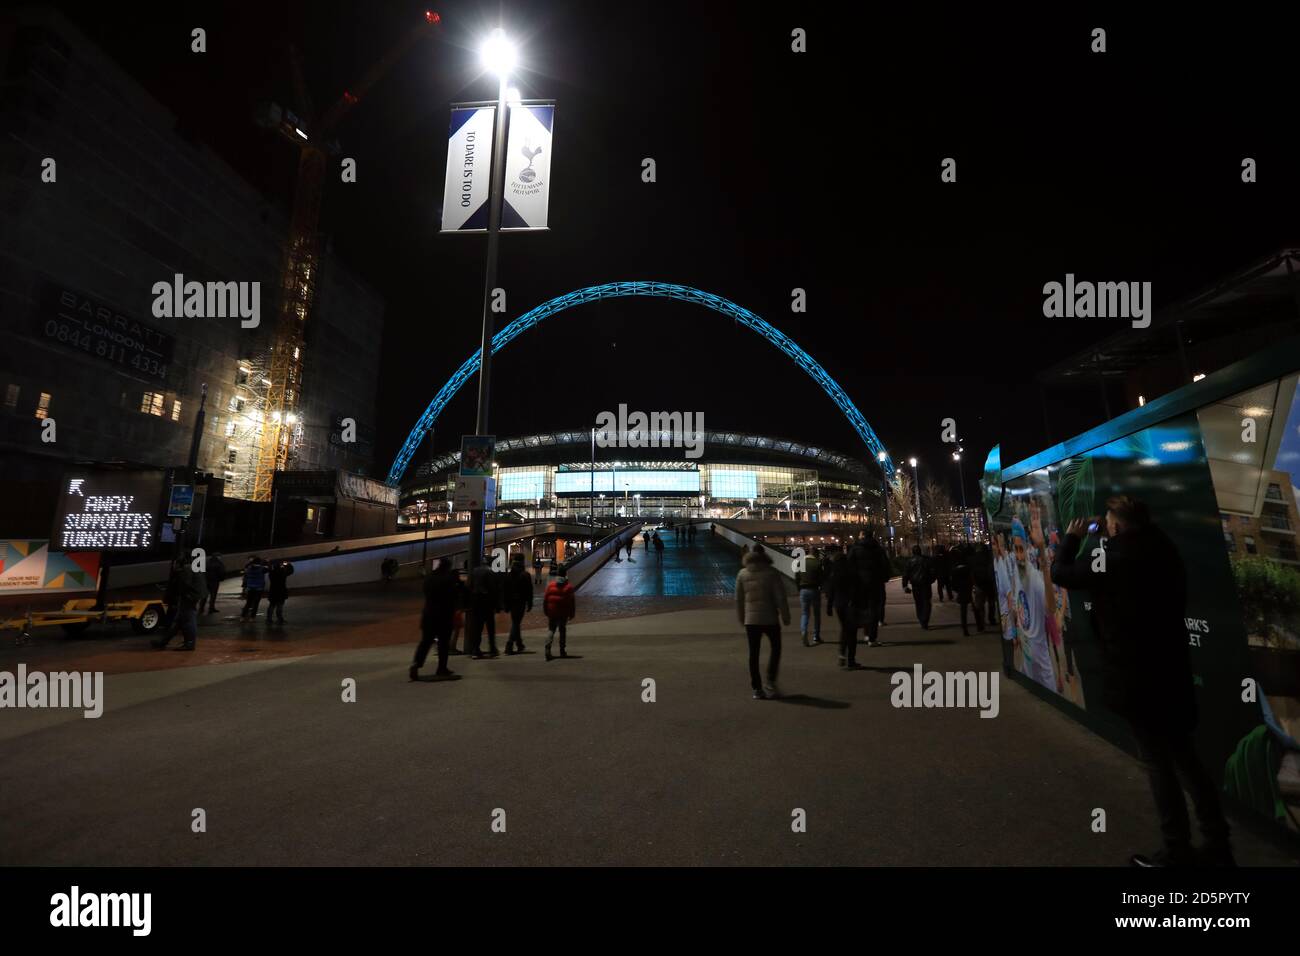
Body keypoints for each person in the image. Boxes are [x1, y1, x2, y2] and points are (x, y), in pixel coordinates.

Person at [1051, 495, 1233, 868]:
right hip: (1172, 671)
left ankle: (1176, 848)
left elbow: (1063, 573)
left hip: (1137, 676)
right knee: (1187, 758)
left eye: (1107, 521)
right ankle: (1218, 844)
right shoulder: (1162, 548)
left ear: (1115, 525)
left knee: (1158, 764)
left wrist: (1072, 538)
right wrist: (1109, 539)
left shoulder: (1114, 557)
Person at [735, 544, 790, 699]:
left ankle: (757, 688)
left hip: (751, 620)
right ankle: (770, 681)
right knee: (776, 648)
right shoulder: (772, 573)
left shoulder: (742, 573)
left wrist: (742, 618)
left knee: (754, 654)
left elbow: (739, 599)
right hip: (770, 619)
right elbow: (780, 597)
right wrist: (786, 616)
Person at [410, 557, 460, 681]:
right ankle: (442, 668)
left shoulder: (429, 578)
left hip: (428, 614)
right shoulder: (448, 579)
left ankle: (416, 663)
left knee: (425, 642)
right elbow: (452, 597)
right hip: (443, 616)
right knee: (443, 643)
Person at [153, 556, 203, 651]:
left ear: (179, 563)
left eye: (175, 563)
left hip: (187, 600)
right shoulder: (191, 569)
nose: (173, 566)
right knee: (178, 622)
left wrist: (175, 598)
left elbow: (183, 586)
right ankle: (164, 642)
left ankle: (190, 644)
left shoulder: (185, 571)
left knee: (188, 622)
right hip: (189, 599)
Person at [466, 560, 502, 659]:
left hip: (476, 602)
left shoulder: (474, 571)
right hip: (487, 603)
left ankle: (475, 649)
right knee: (490, 627)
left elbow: (469, 586)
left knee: (477, 627)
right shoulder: (490, 572)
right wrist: (497, 605)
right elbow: (493, 589)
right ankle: (492, 649)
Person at [543, 565, 576, 661]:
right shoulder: (568, 587)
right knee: (562, 631)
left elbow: (545, 599)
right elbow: (571, 602)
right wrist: (572, 613)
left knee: (551, 630)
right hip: (563, 613)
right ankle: (562, 650)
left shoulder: (550, 585)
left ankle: (547, 647)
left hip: (552, 611)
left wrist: (546, 610)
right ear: (565, 574)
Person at [503, 553, 533, 655]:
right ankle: (509, 644)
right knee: (516, 623)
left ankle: (519, 644)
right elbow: (529, 591)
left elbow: (505, 590)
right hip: (520, 602)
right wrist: (530, 603)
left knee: (516, 622)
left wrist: (505, 604)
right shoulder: (525, 575)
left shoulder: (509, 574)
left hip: (511, 602)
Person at [795, 547, 824, 646]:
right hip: (814, 589)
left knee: (805, 613)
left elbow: (797, 577)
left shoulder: (801, 562)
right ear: (816, 554)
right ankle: (816, 636)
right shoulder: (817, 563)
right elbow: (821, 577)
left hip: (803, 590)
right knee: (816, 614)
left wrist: (799, 588)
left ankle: (804, 631)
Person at [902, 546, 934, 629]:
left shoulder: (909, 561)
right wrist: (931, 580)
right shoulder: (926, 560)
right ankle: (925, 620)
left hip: (915, 584)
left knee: (918, 602)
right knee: (926, 602)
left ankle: (921, 618)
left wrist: (905, 585)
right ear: (920, 551)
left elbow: (905, 574)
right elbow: (932, 571)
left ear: (913, 552)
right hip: (925, 584)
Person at [950, 543, 975, 636]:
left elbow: (953, 582)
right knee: (975, 606)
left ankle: (964, 627)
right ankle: (980, 625)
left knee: (963, 609)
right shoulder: (968, 565)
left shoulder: (955, 567)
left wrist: (956, 589)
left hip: (961, 588)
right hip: (968, 586)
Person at [265, 558, 294, 624]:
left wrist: (269, 563)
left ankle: (269, 619)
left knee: (271, 605)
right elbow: (291, 571)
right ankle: (279, 619)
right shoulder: (283, 573)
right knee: (280, 606)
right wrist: (288, 564)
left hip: (273, 591)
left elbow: (269, 568)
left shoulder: (271, 573)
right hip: (281, 591)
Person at [240, 556, 268, 620]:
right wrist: (266, 562)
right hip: (259, 588)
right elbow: (268, 569)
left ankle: (242, 616)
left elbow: (246, 574)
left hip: (250, 588)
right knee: (256, 603)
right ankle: (252, 617)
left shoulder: (249, 568)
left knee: (248, 603)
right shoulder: (262, 569)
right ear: (259, 562)